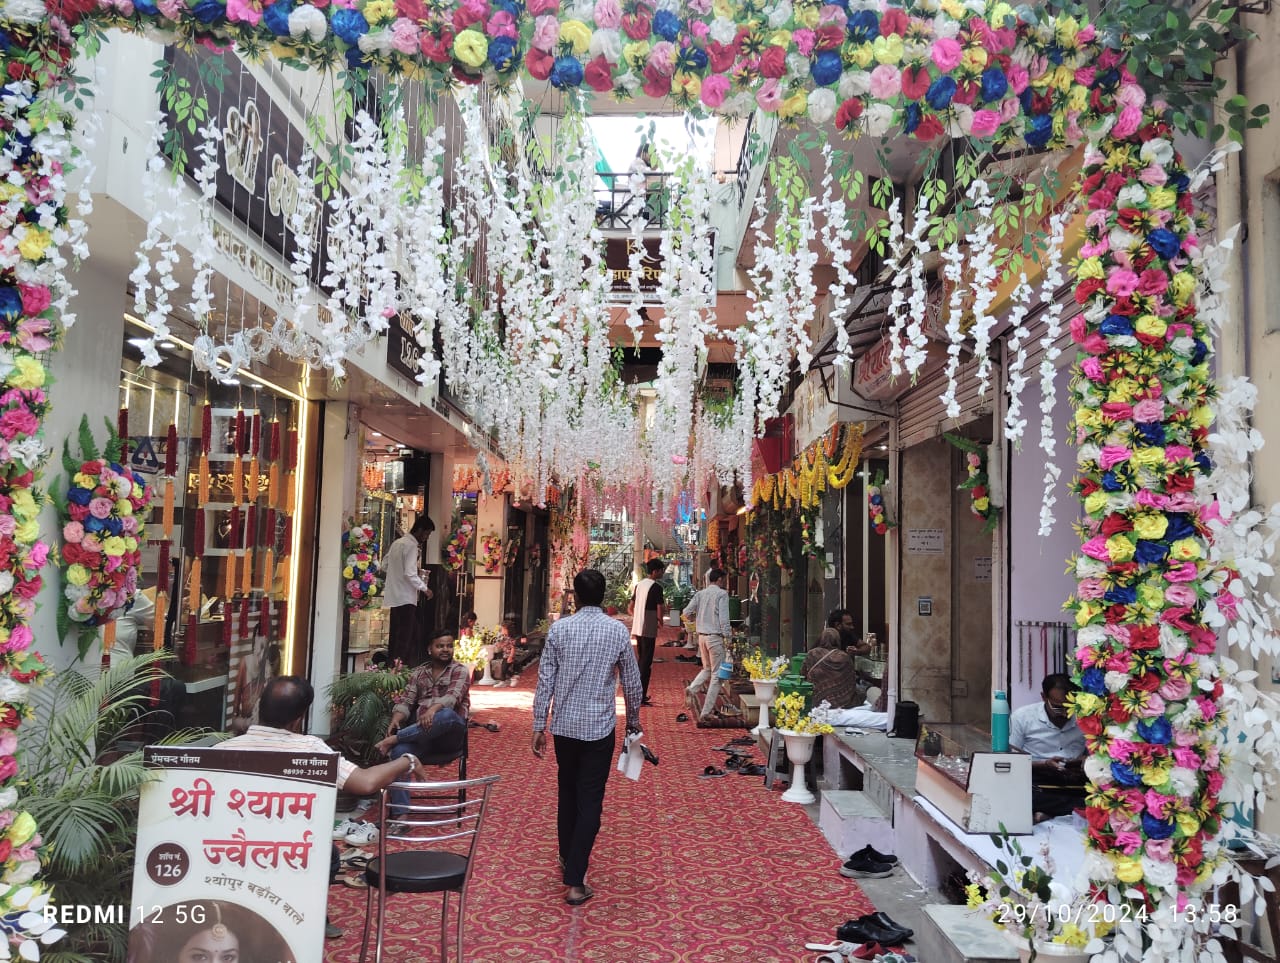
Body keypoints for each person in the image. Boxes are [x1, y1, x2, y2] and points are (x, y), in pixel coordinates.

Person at [221, 677, 426, 940]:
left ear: (260, 708)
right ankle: (311, 916)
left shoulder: (222, 750)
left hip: (230, 848)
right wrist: (407, 761)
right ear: (299, 718)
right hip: (293, 850)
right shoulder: (310, 749)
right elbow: (366, 782)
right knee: (329, 856)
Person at [531, 569, 642, 907]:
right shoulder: (617, 631)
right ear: (604, 595)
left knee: (567, 790)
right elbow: (632, 683)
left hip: (564, 727)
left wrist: (538, 725)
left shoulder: (559, 629)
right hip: (598, 728)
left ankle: (568, 857)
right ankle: (575, 880)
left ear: (575, 597)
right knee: (590, 799)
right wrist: (633, 722)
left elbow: (545, 680)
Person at [377, 631, 471, 820]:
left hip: (449, 736)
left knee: (445, 715)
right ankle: (401, 815)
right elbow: (406, 701)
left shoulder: (460, 670)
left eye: (449, 646)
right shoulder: (418, 673)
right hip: (422, 736)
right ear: (430, 649)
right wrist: (396, 717)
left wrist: (433, 710)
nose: (445, 649)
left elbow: (452, 698)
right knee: (399, 753)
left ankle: (396, 738)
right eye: (440, 646)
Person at [1009, 673, 1088, 822]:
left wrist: (1085, 761)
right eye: (1058, 708)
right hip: (1037, 778)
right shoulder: (1023, 717)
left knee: (1102, 795)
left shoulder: (1085, 717)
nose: (1064, 714)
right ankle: (1070, 808)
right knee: (1020, 794)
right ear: (1044, 697)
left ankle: (1051, 812)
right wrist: (1043, 765)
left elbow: (1097, 753)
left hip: (1073, 779)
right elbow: (1012, 761)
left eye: (1070, 708)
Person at [381, 515, 435, 666]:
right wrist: (425, 589)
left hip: (394, 597)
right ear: (420, 530)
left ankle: (392, 668)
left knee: (396, 637)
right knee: (406, 639)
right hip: (406, 598)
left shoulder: (397, 543)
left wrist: (397, 573)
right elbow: (410, 573)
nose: (426, 537)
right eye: (427, 534)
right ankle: (400, 668)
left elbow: (384, 565)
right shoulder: (411, 546)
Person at [682, 568, 732, 723]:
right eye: (724, 579)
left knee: (707, 669)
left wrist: (694, 625)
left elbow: (685, 612)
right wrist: (728, 638)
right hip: (715, 637)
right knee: (717, 676)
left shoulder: (700, 594)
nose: (725, 582)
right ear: (719, 579)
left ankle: (692, 689)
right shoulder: (722, 594)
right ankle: (706, 712)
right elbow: (724, 619)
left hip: (702, 637)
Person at [628, 558, 666, 706]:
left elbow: (630, 607)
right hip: (648, 626)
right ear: (655, 571)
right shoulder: (656, 587)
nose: (662, 573)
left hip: (638, 627)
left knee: (641, 659)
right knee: (646, 662)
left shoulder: (639, 585)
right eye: (661, 571)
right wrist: (660, 621)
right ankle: (640, 695)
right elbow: (659, 607)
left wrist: (637, 616)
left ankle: (638, 694)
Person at [802, 630, 860, 710]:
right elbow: (851, 681)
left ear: (821, 639)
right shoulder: (844, 656)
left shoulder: (812, 654)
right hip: (844, 701)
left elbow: (803, 674)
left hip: (819, 700)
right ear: (838, 640)